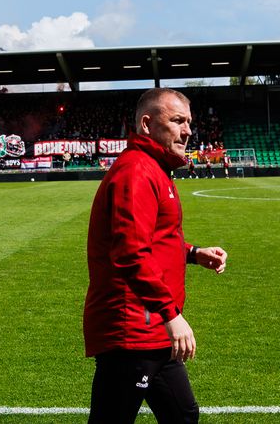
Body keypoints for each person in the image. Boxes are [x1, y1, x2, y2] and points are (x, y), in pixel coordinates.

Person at [84, 88, 228, 424]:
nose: (188, 130)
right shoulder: (136, 172)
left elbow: (155, 240)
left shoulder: (154, 168)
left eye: (189, 122)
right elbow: (130, 253)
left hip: (151, 331)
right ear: (147, 124)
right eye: (177, 120)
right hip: (132, 330)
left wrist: (192, 253)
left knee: (183, 416)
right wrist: (170, 315)